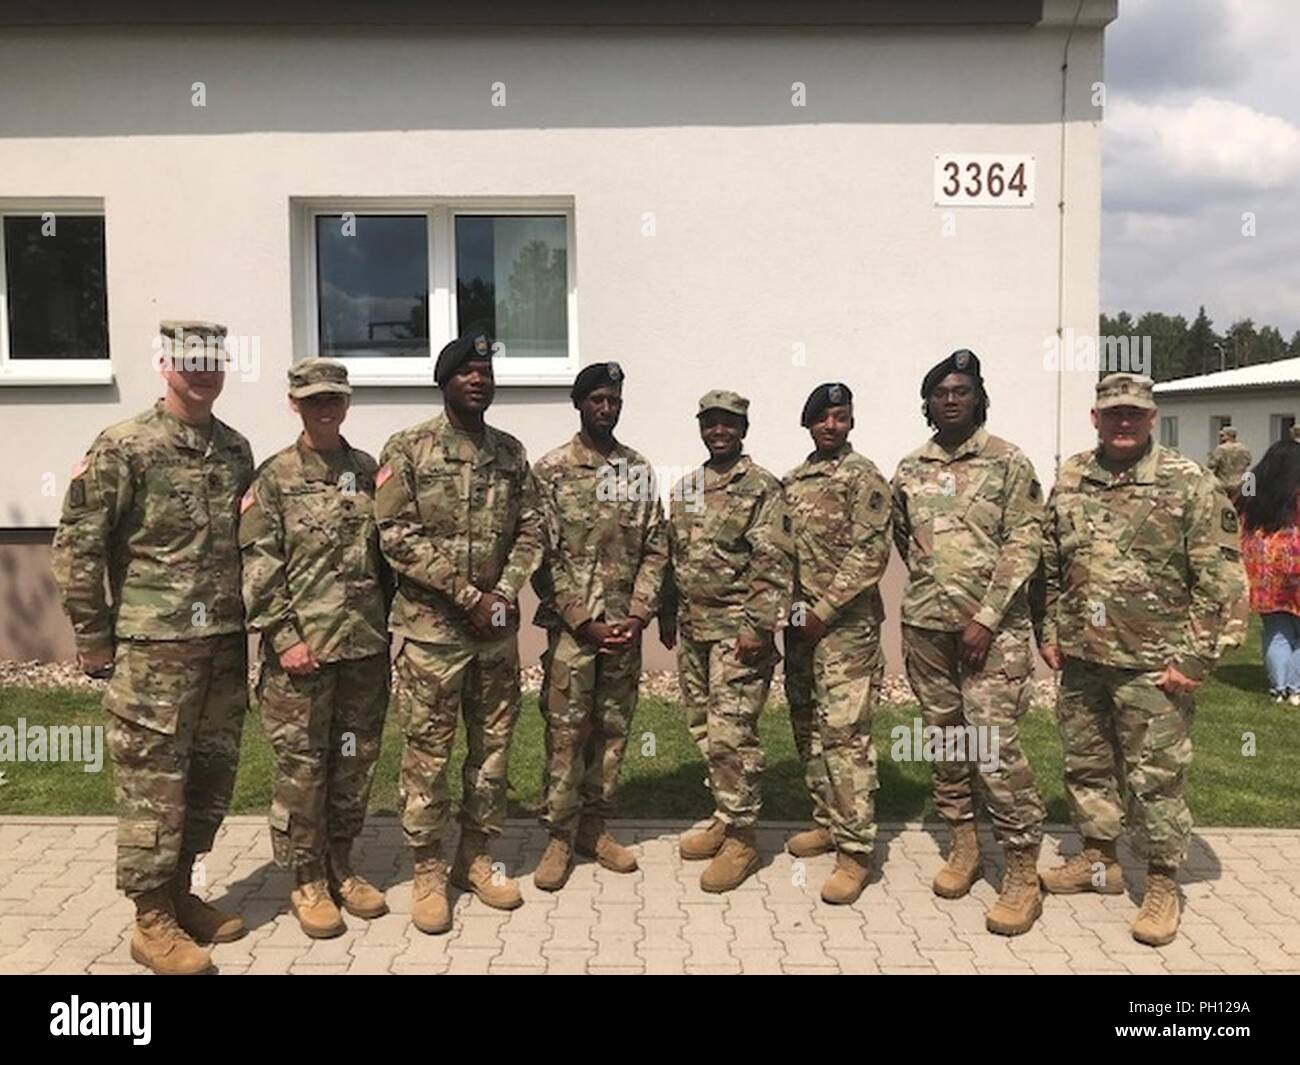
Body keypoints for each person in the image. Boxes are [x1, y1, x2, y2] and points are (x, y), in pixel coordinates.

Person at [50, 320, 254, 975]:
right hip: (153, 652)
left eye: (213, 360)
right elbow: (78, 544)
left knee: (210, 782)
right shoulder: (124, 446)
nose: (203, 371)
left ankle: (180, 889)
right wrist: (92, 637)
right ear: (166, 363)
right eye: (190, 360)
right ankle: (149, 920)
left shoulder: (234, 449)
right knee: (152, 790)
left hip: (222, 647)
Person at [1038, 372, 1246, 947]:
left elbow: (1222, 583)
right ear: (1095, 419)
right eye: (1113, 413)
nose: (1123, 422)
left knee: (1156, 779)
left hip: (1156, 664)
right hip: (1083, 657)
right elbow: (1052, 564)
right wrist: (1051, 630)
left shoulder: (1188, 483)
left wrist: (1195, 659)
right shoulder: (1073, 476)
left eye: (1134, 414)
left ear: (1151, 419)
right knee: (1088, 766)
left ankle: (1161, 881)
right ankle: (1099, 861)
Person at [375, 324, 544, 934]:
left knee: (492, 750)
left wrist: (502, 592)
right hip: (433, 635)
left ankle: (476, 855)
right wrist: (466, 593)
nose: (479, 380)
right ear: (444, 382)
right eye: (467, 373)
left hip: (495, 633)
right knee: (428, 752)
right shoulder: (408, 448)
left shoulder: (510, 451)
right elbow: (395, 535)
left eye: (486, 373)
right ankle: (427, 868)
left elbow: (532, 530)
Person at [891, 350, 1047, 935]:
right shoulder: (909, 468)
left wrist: (983, 616)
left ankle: (1022, 871)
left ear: (979, 398)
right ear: (926, 402)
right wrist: (940, 602)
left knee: (994, 746)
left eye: (962, 390)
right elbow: (907, 542)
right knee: (946, 741)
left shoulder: (1008, 462)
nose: (951, 399)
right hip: (927, 628)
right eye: (940, 392)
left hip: (994, 632)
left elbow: (1023, 545)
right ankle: (964, 843)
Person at [239, 358, 394, 938]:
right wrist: (284, 638)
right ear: (294, 404)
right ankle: (305, 878)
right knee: (303, 772)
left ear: (346, 404)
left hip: (362, 654)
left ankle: (341, 864)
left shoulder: (369, 470)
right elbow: (258, 565)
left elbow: (389, 557)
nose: (324, 409)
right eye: (312, 400)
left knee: (353, 763)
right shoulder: (272, 478)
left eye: (333, 399)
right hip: (300, 660)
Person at [529, 362, 668, 890]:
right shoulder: (551, 471)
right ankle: (559, 837)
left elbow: (657, 547)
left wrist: (638, 614)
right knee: (566, 733)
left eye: (614, 400)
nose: (606, 409)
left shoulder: (637, 468)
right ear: (579, 403)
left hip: (624, 631)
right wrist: (580, 619)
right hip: (574, 634)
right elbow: (539, 555)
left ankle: (596, 827)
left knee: (613, 731)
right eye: (597, 400)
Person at [663, 390, 793, 893]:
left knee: (732, 734)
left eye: (729, 423)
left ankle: (742, 836)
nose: (720, 431)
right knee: (703, 728)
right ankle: (724, 812)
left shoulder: (762, 487)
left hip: (738, 634)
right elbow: (675, 552)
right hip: (695, 630)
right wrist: (669, 612)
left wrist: (758, 626)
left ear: (744, 428)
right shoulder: (688, 486)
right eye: (711, 423)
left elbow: (773, 560)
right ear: (701, 426)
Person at [781, 383, 891, 904]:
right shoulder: (793, 481)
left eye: (841, 417)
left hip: (846, 628)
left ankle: (855, 849)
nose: (832, 425)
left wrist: (824, 610)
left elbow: (870, 554)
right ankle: (825, 820)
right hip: (801, 628)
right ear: (808, 423)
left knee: (846, 736)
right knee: (808, 725)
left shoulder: (864, 476)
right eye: (823, 417)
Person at [1236, 439, 1300, 705]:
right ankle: (1296, 688)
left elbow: (1238, 519)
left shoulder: (1253, 488)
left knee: (1276, 630)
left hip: (1262, 570)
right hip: (1294, 563)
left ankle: (1279, 688)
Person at [1208, 427, 1252, 502]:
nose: (1221, 438)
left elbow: (1211, 464)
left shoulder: (1221, 449)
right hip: (1241, 483)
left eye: (1222, 435)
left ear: (1228, 436)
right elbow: (1248, 461)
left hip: (1225, 484)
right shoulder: (1243, 448)